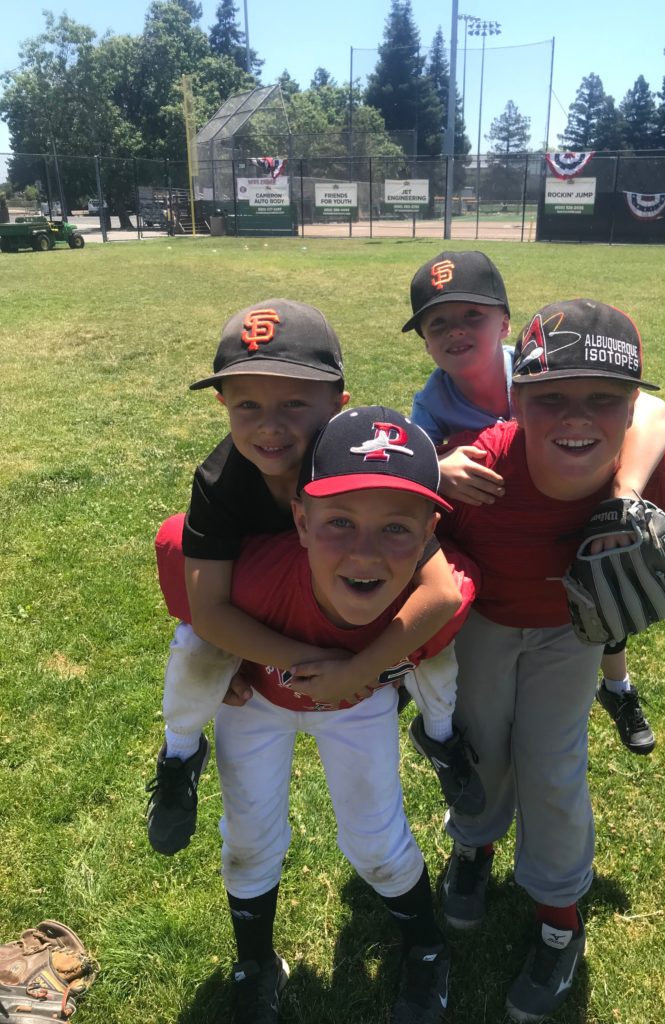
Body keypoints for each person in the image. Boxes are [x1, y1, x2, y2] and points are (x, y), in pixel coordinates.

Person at [155, 405, 479, 1024]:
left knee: (377, 840)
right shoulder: (247, 579)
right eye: (338, 521)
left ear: (429, 530)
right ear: (300, 521)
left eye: (395, 529)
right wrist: (231, 666)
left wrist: (364, 670)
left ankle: (426, 945)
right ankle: (253, 960)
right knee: (248, 839)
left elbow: (445, 600)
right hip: (261, 703)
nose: (364, 554)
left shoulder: (429, 597)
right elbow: (199, 599)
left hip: (357, 707)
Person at [433, 299, 665, 1022]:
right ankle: (475, 847)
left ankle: (559, 918)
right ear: (516, 396)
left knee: (552, 762)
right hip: (485, 620)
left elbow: (656, 456)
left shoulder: (653, 470)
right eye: (551, 399)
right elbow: (420, 534)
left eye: (602, 400)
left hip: (569, 629)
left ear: (631, 405)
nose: (576, 420)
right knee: (479, 743)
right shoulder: (478, 465)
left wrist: (626, 496)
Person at [146, 299, 476, 859]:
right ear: (222, 403)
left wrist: (363, 667)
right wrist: (300, 661)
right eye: (246, 403)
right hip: (273, 605)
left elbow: (440, 591)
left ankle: (440, 734)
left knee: (440, 632)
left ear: (337, 402)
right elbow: (211, 611)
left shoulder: (362, 463)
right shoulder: (222, 479)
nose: (270, 425)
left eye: (295, 402)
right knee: (196, 635)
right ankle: (179, 753)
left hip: (346, 598)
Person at [404, 250, 665, 756]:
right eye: (438, 324)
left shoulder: (539, 361)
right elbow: (406, 463)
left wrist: (625, 490)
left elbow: (650, 407)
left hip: (575, 513)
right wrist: (436, 467)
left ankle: (617, 688)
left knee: (607, 590)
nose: (456, 331)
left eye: (472, 316)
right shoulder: (433, 402)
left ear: (505, 322)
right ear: (426, 343)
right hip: (508, 541)